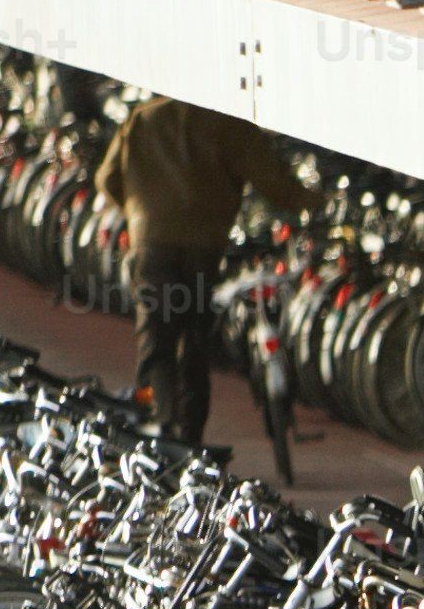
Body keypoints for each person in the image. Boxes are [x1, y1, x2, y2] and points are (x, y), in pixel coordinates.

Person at [91, 97, 294, 451]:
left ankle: (163, 421)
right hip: (203, 248)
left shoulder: (143, 119)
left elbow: (106, 178)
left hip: (153, 245)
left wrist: (141, 212)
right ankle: (192, 434)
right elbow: (273, 181)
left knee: (157, 338)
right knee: (195, 342)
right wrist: (313, 203)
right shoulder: (226, 122)